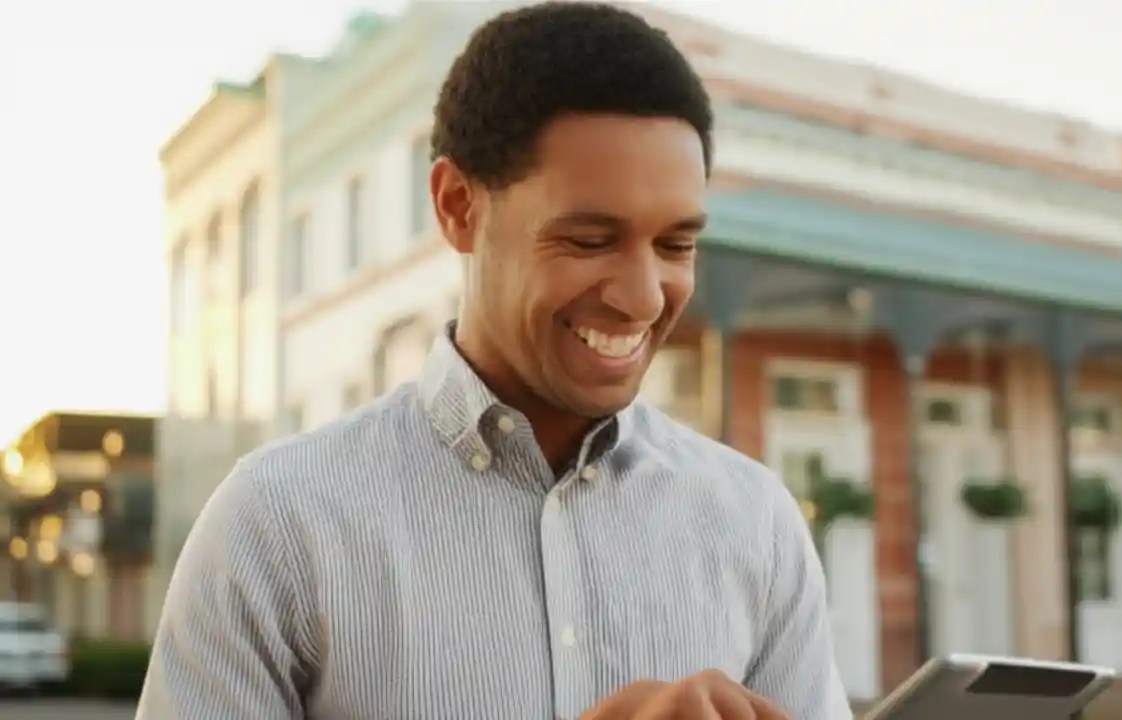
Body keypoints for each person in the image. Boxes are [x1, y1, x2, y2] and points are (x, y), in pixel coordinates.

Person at [137, 2, 851, 718]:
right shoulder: (277, 524)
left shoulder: (755, 525)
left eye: (675, 246)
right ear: (457, 207)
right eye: (588, 240)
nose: (642, 299)